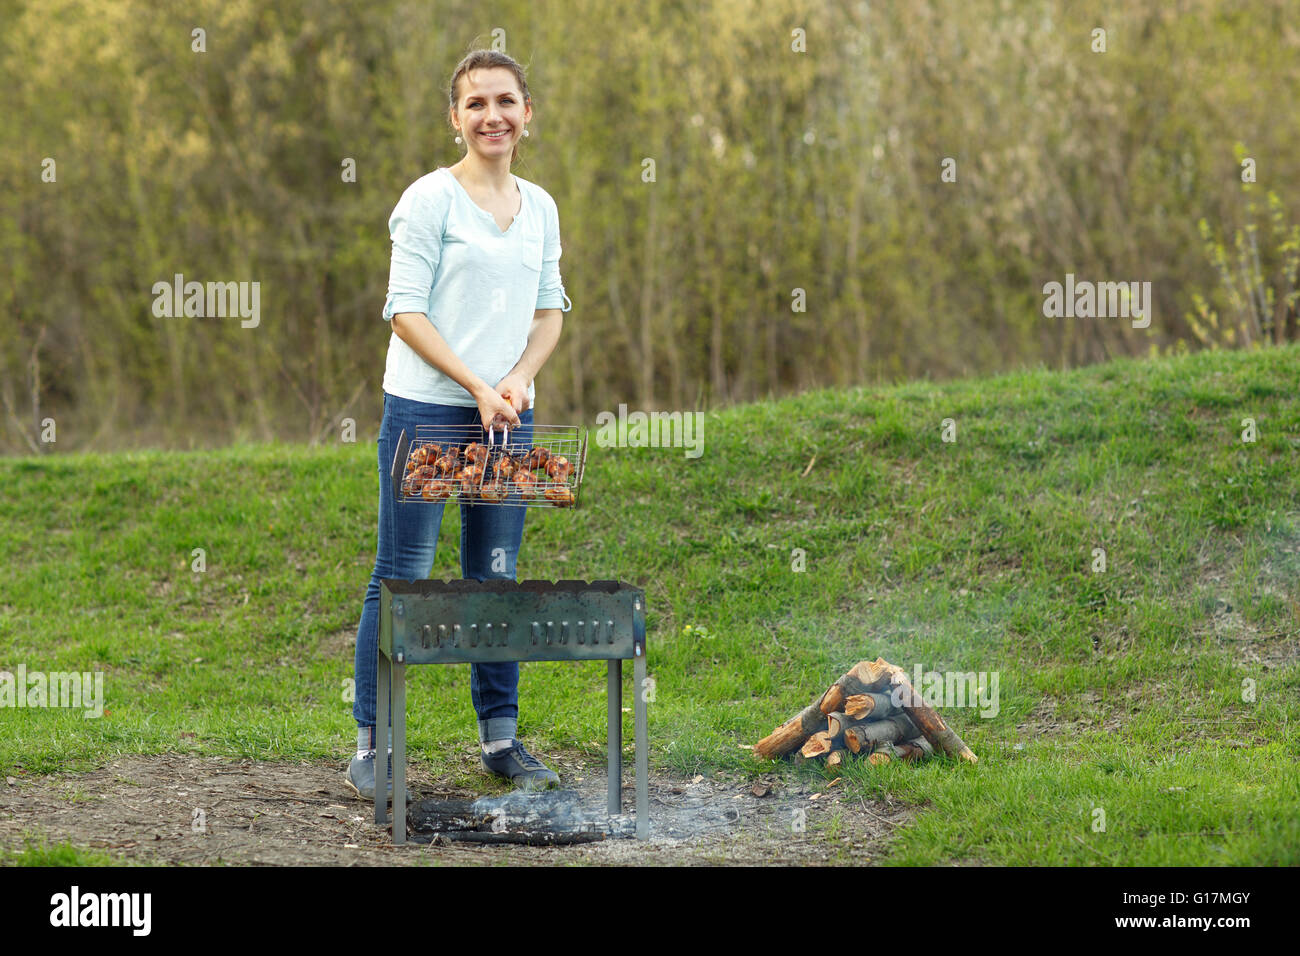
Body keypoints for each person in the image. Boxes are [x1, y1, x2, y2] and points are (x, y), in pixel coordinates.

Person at [346, 49, 572, 801]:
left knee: (495, 576)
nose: (491, 117)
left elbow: (551, 310)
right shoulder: (428, 201)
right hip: (426, 413)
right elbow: (403, 310)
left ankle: (501, 739)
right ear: (455, 118)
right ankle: (373, 746)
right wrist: (474, 382)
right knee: (403, 577)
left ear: (527, 112)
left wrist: (514, 380)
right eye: (475, 104)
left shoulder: (539, 206)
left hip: (507, 417)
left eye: (505, 101)